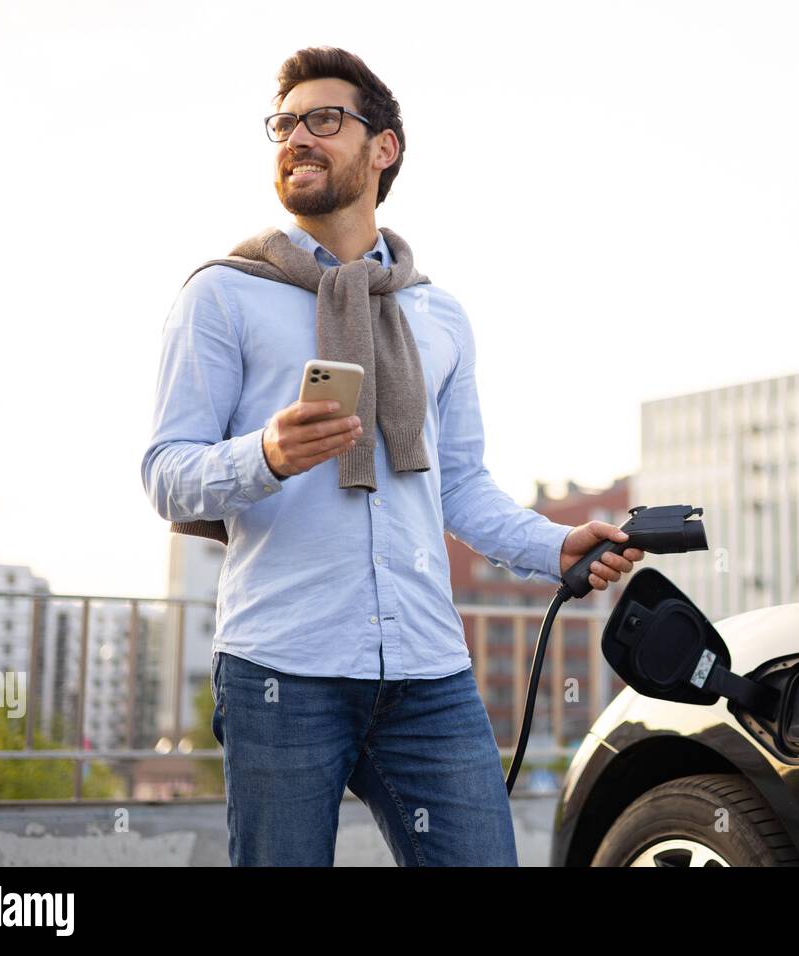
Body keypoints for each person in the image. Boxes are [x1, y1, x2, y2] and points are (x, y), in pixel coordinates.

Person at [140, 45, 644, 866]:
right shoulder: (222, 294)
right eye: (284, 124)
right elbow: (166, 473)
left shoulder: (437, 314)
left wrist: (554, 547)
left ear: (384, 148)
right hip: (281, 670)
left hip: (428, 670)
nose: (297, 137)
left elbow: (461, 487)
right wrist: (264, 454)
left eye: (323, 120)